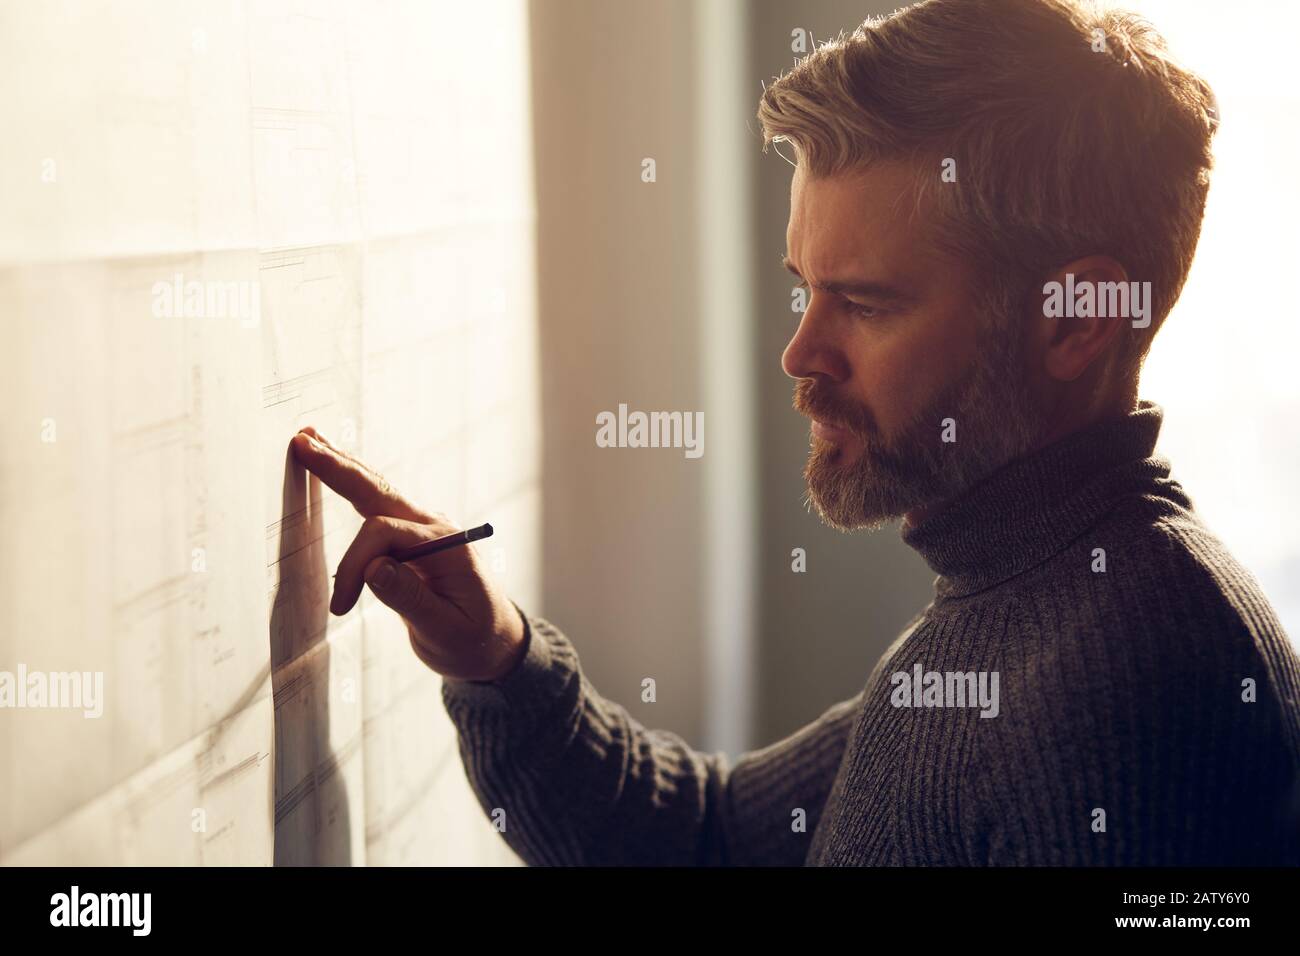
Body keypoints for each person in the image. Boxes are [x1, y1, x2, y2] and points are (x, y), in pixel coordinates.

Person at [290, 0, 1300, 865]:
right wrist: (495, 652)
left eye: (862, 301)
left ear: (1075, 320)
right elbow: (715, 841)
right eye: (803, 291)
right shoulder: (1019, 601)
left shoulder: (1133, 682)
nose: (800, 353)